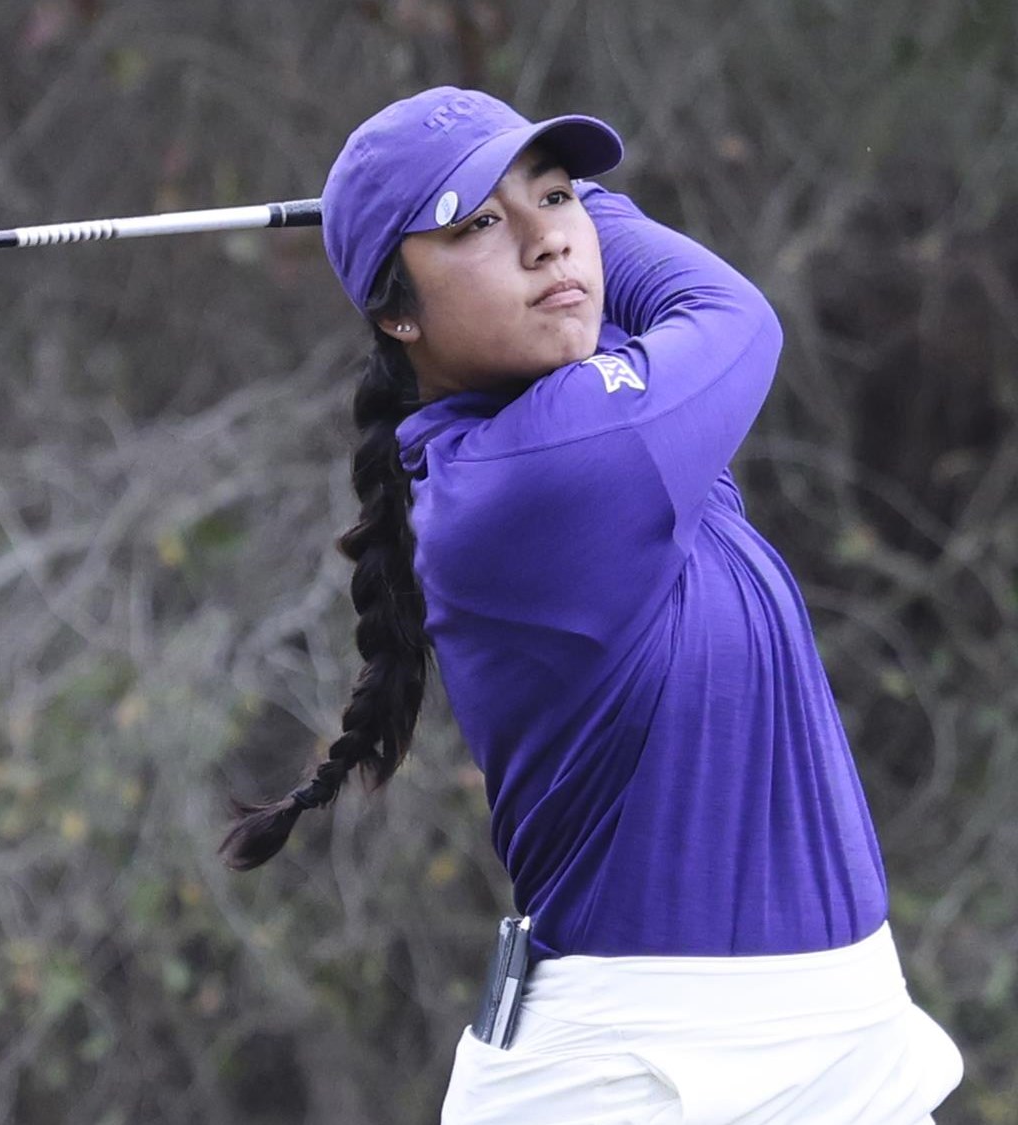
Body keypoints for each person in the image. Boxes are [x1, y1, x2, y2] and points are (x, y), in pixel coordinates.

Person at [217, 86, 965, 1122]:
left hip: (802, 1058)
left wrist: (518, 213)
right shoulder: (555, 464)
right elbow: (729, 315)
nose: (543, 245)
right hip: (653, 1081)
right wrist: (597, 212)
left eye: (556, 198)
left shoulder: (587, 413)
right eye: (476, 224)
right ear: (395, 312)